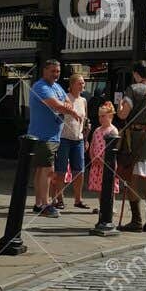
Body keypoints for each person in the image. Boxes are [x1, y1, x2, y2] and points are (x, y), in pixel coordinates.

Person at [117, 62, 146, 232]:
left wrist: (119, 106)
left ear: (136, 74)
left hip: (136, 137)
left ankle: (136, 221)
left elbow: (123, 114)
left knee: (132, 178)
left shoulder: (132, 89)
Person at [28, 56, 75, 220]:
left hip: (53, 135)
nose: (56, 74)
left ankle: (38, 203)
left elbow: (67, 100)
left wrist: (66, 106)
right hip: (43, 135)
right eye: (53, 71)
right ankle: (44, 204)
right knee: (47, 170)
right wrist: (72, 112)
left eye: (58, 71)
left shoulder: (57, 87)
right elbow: (55, 104)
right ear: (45, 71)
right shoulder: (40, 86)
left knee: (43, 169)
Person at [56, 71, 89, 210]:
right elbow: (58, 116)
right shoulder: (66, 98)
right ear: (72, 85)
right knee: (61, 169)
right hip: (64, 138)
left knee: (79, 170)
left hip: (78, 138)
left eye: (83, 82)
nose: (82, 85)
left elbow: (85, 120)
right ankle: (59, 198)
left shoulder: (84, 101)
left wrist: (86, 138)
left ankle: (78, 199)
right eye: (79, 82)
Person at [88, 101, 119, 209]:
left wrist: (105, 160)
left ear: (110, 116)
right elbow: (92, 144)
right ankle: (102, 206)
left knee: (109, 186)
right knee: (99, 187)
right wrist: (92, 157)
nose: (101, 119)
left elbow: (114, 149)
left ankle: (111, 206)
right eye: (99, 116)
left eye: (103, 116)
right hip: (97, 163)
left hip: (107, 163)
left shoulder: (113, 130)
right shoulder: (97, 130)